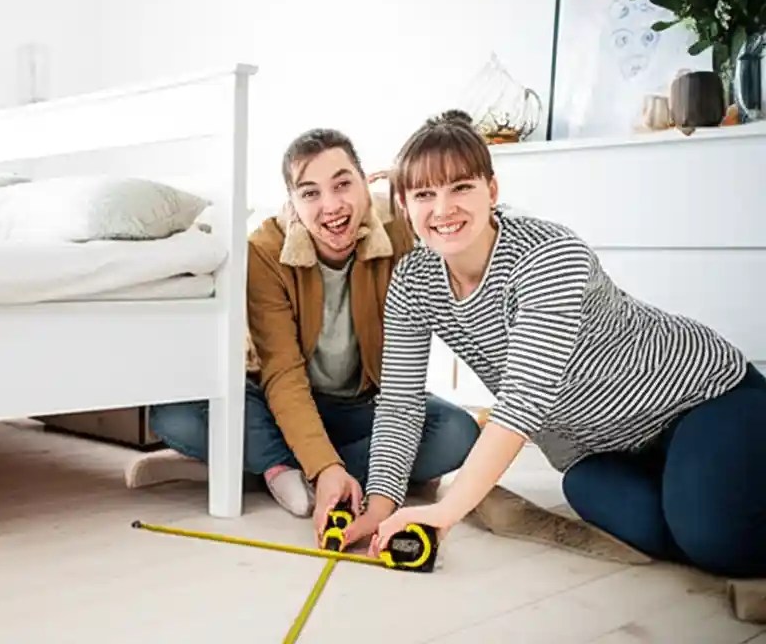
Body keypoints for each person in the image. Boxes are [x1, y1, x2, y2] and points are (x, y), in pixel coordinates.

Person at [356, 109, 766, 579]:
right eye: (424, 194)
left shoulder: (548, 255)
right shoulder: (413, 282)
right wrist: (378, 508)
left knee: (716, 541)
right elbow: (401, 405)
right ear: (404, 206)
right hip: (599, 451)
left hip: (700, 400)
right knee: (637, 520)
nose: (443, 209)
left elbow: (522, 402)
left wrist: (445, 512)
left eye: (461, 187)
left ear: (491, 190)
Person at [125, 127, 480, 539]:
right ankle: (311, 469)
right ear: (292, 202)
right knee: (174, 414)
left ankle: (271, 466)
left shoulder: (399, 230)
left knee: (457, 432)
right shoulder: (265, 250)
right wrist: (325, 465)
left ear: (365, 185)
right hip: (281, 403)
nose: (331, 206)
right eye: (310, 193)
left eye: (343, 184)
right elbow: (282, 372)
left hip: (363, 405)